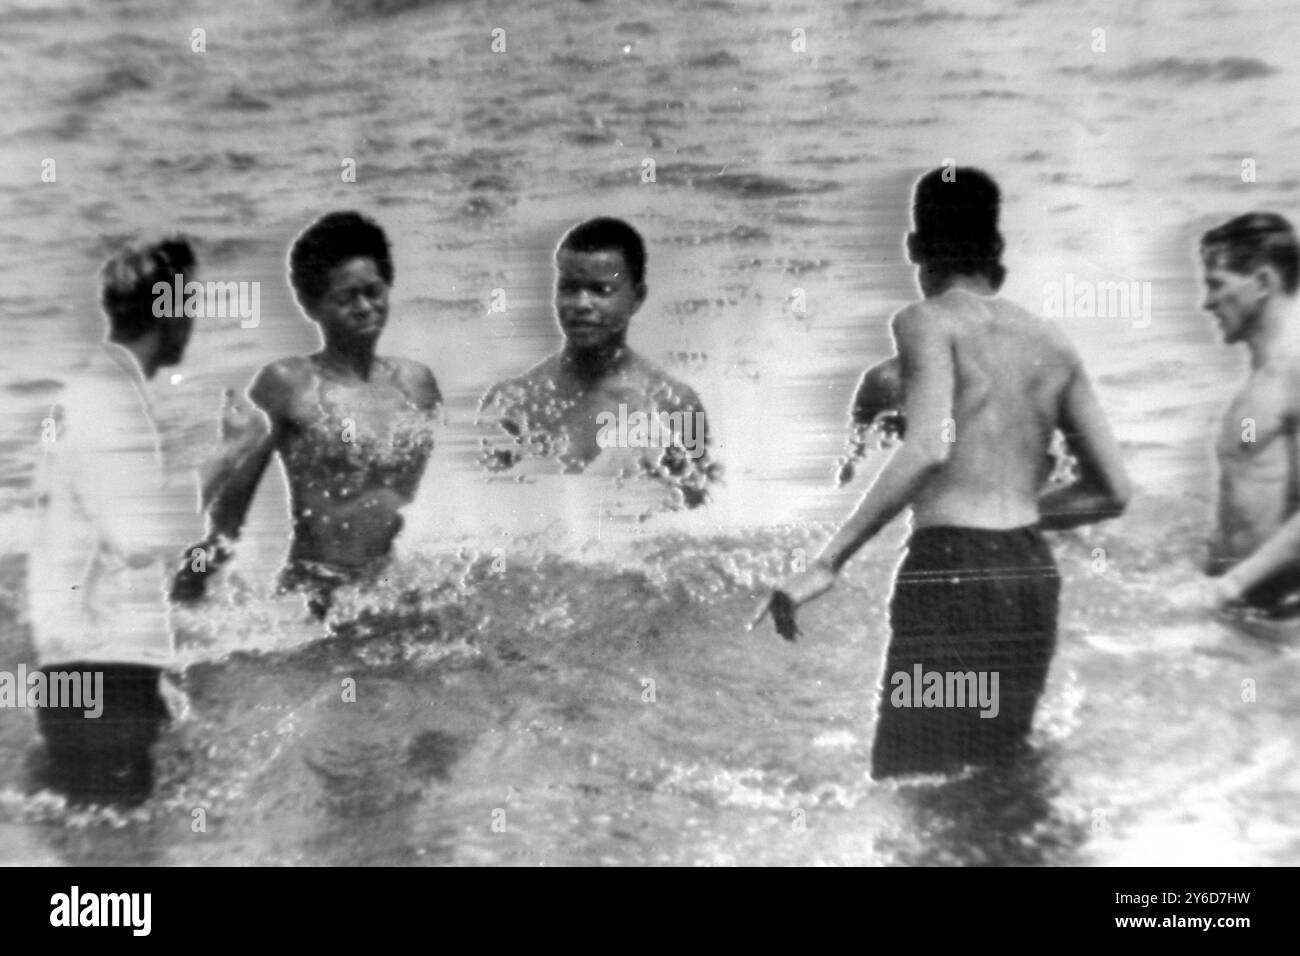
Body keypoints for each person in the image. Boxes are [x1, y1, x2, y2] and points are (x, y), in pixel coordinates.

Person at [754, 168, 1131, 779]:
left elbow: (928, 447)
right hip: (1030, 575)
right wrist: (1019, 518)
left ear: (914, 246)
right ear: (996, 247)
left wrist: (827, 563)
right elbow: (1113, 491)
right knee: (997, 768)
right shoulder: (1053, 343)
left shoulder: (925, 321)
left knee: (914, 774)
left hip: (952, 575)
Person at [172, 211, 442, 618]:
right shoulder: (288, 384)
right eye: (346, 297)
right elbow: (229, 514)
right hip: (314, 594)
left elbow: (396, 505)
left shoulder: (417, 385)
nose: (364, 307)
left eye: (373, 291)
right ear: (311, 305)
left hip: (387, 588)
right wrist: (189, 594)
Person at [28, 237, 196, 803]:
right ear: (171, 314)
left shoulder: (88, 392)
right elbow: (137, 539)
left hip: (80, 669)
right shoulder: (113, 403)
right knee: (119, 839)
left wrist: (149, 671)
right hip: (101, 677)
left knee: (95, 831)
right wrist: (230, 455)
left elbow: (88, 553)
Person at [476, 217, 720, 508]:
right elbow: (488, 509)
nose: (581, 304)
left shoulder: (674, 405)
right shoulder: (513, 402)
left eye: (600, 290)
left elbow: (696, 514)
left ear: (637, 298)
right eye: (568, 288)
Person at [1174, 213, 1300, 617]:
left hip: (1282, 617)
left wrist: (1228, 586)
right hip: (1243, 605)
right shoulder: (1263, 377)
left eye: (1217, 284)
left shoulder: (1294, 372)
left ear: (1262, 283)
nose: (1207, 302)